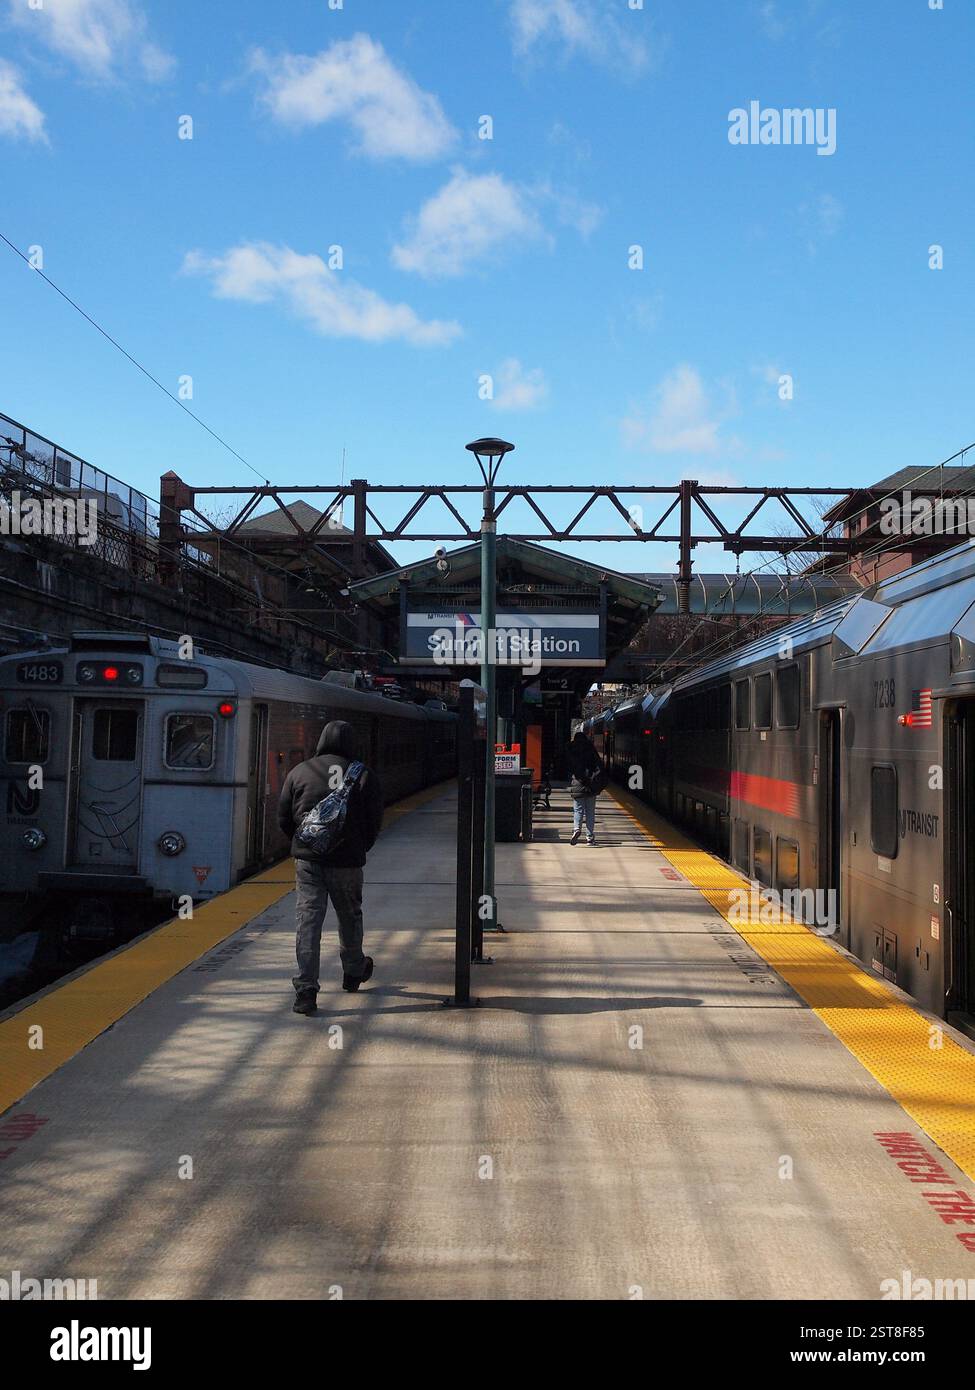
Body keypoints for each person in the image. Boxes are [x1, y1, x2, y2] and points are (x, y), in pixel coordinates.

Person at [278, 719, 384, 1015]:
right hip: (347, 862)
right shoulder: (363, 774)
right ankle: (353, 972)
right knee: (349, 917)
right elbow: (374, 821)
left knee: (308, 921)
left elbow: (283, 818)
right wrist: (358, 847)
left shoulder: (300, 771)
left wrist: (304, 844)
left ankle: (306, 990)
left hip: (309, 861)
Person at [567, 730, 602, 846]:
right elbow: (599, 766)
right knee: (590, 812)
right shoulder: (590, 749)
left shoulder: (572, 750)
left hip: (577, 784)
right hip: (591, 785)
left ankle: (576, 829)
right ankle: (590, 837)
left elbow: (568, 767)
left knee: (578, 810)